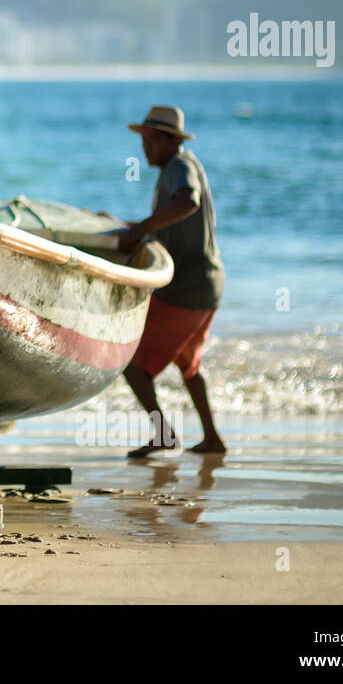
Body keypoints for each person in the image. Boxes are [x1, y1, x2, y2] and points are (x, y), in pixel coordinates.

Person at [117, 104, 226, 458]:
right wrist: (135, 228)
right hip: (208, 284)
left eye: (150, 141)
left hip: (188, 287)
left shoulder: (179, 166)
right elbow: (174, 219)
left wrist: (143, 228)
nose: (144, 148)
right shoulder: (179, 166)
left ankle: (163, 434)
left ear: (170, 140)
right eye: (143, 141)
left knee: (132, 364)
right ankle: (212, 438)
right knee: (188, 364)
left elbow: (187, 202)